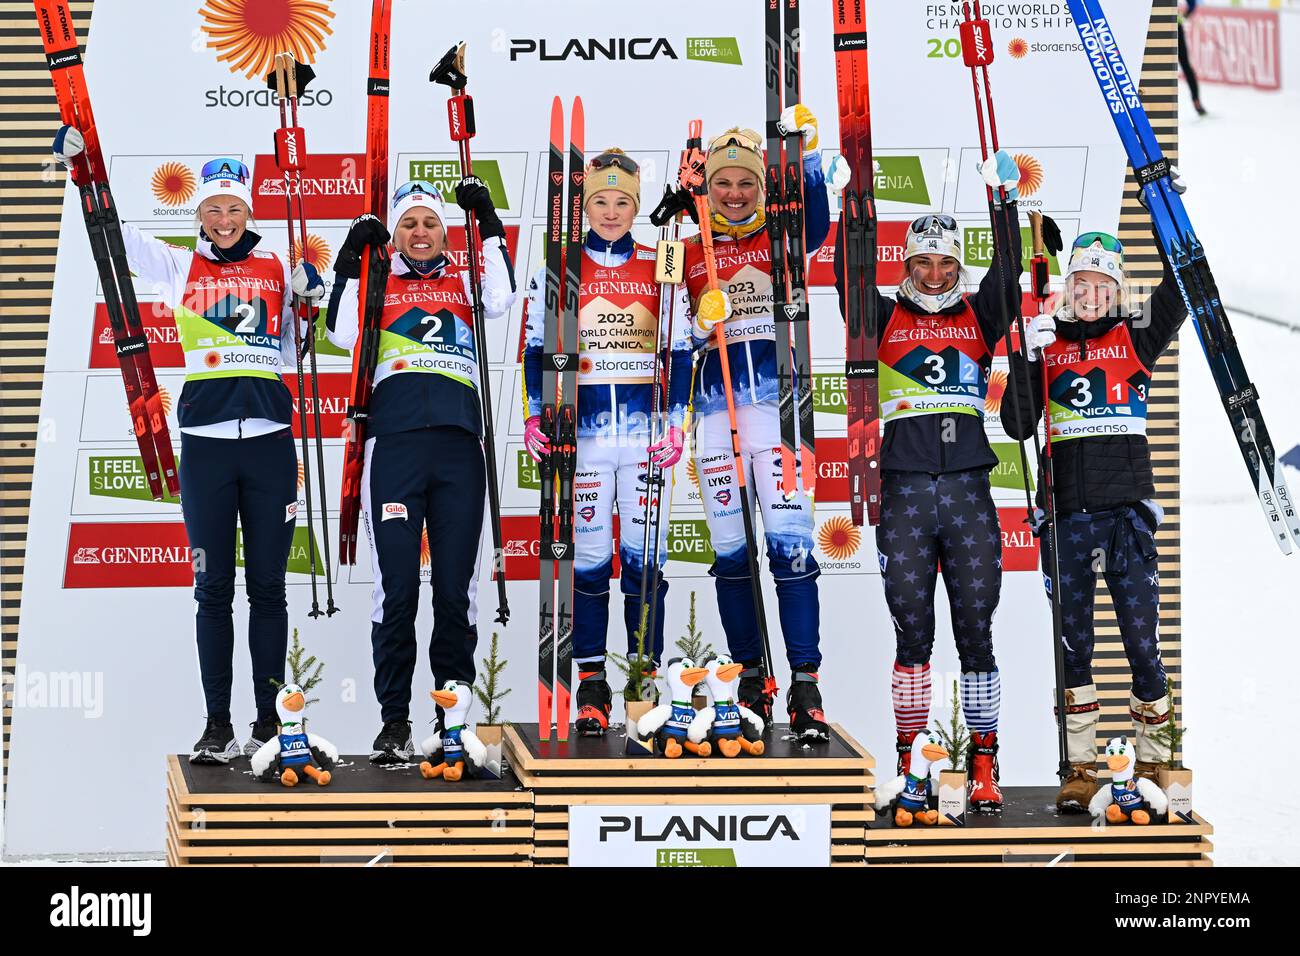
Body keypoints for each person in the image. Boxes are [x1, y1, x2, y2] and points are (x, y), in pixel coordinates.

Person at [53, 128, 323, 763]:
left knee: (269, 590)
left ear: (248, 211)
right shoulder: (179, 264)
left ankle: (268, 723)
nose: (224, 220)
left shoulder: (279, 264)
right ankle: (216, 725)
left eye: (234, 208)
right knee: (212, 592)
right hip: (204, 447)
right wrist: (81, 167)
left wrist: (311, 301)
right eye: (212, 209)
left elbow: (297, 348)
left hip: (268, 443)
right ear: (197, 214)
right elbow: (111, 233)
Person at [835, 150, 1031, 811]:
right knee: (912, 634)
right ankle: (911, 760)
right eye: (924, 262)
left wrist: (1002, 201)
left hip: (970, 495)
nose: (937, 273)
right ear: (907, 266)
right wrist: (846, 201)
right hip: (908, 496)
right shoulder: (880, 317)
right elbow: (846, 272)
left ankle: (983, 762)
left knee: (977, 631)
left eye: (947, 263)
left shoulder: (980, 316)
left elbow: (1009, 270)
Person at [325, 179, 516, 762]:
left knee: (456, 591)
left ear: (444, 229)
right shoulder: (380, 283)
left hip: (460, 448)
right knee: (397, 593)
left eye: (430, 222)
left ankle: (451, 720)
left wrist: (487, 222)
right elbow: (339, 330)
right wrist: (349, 264)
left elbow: (503, 295)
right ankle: (393, 722)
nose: (419, 232)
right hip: (399, 447)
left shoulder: (466, 277)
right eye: (408, 223)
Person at [1001, 226, 1185, 812]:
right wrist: (1027, 355)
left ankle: (1156, 760)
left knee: (1141, 644)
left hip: (1126, 516)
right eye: (1081, 282)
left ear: (1116, 291)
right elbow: (1016, 424)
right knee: (1073, 648)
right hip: (1067, 517)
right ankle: (1078, 767)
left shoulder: (1136, 336)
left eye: (1102, 285)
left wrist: (1164, 213)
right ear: (1067, 285)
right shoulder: (1045, 341)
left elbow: (1181, 286)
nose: (1090, 294)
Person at [521, 149, 694, 735]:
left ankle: (643, 681)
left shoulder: (662, 258)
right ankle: (591, 684)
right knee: (590, 564)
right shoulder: (559, 265)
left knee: (647, 567)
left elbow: (679, 346)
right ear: (583, 205)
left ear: (637, 207)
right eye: (600, 200)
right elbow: (536, 350)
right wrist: (537, 415)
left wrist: (675, 419)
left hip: (645, 440)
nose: (612, 212)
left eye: (623, 202)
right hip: (586, 439)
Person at [681, 106, 832, 740]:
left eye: (747, 182)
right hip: (716, 421)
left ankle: (804, 684)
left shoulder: (785, 236)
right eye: (723, 182)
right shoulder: (687, 252)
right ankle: (749, 679)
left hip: (780, 416)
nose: (735, 192)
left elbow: (820, 222)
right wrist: (694, 327)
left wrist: (811, 160)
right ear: (707, 187)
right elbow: (665, 336)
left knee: (792, 553)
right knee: (732, 556)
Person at [1179, 1, 1207, 116]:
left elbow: (1192, 3)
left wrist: (1184, 15)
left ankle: (1197, 102)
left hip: (1174, 29)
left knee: (1186, 66)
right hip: (1162, 29)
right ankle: (1197, 103)